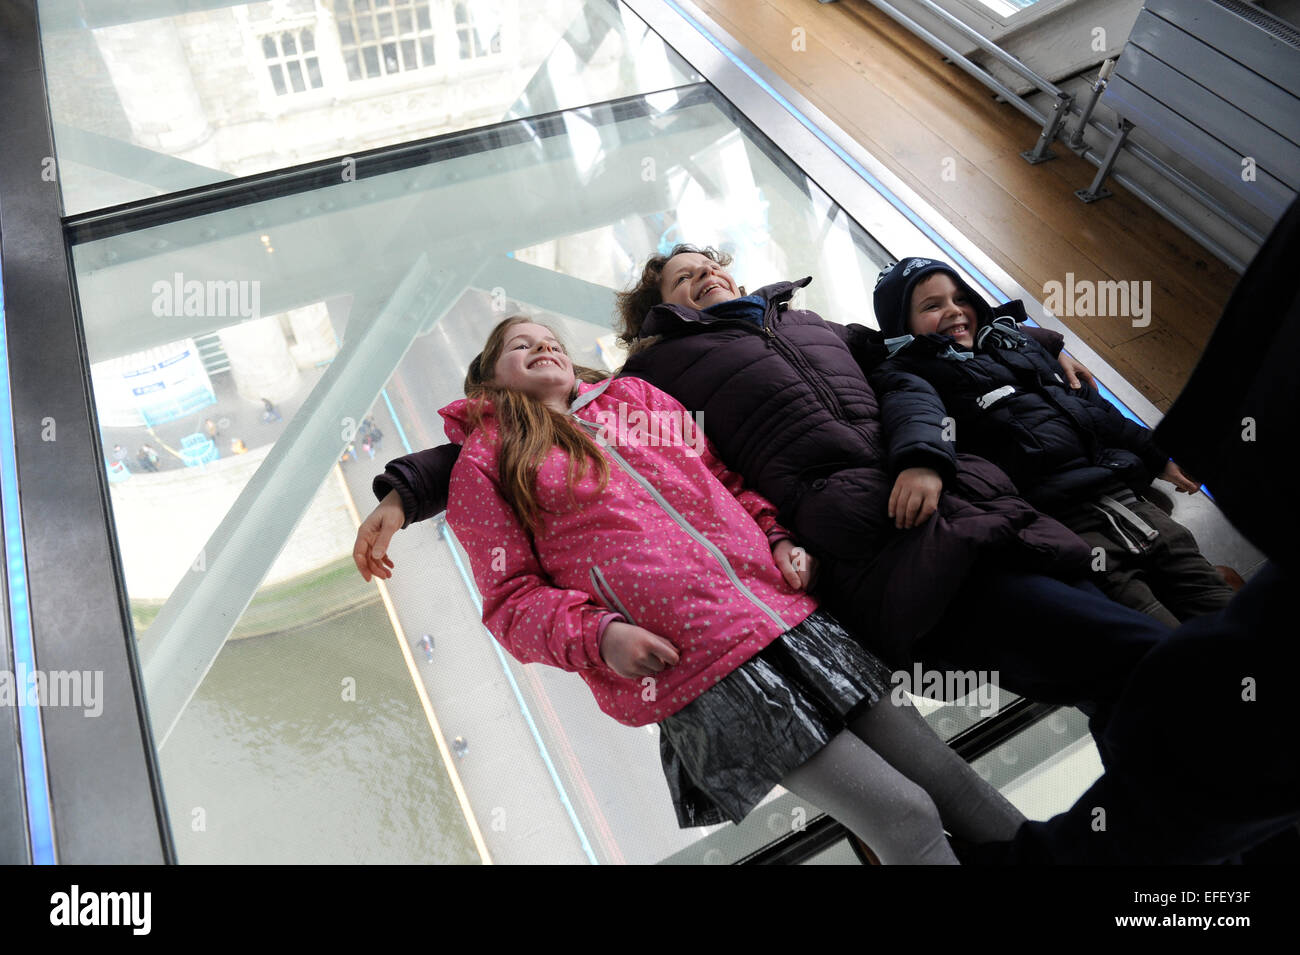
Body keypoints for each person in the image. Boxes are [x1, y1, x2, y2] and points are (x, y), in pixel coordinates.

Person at [362, 246, 1171, 762]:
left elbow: (912, 361)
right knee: (1137, 657)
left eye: (713, 261)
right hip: (888, 550)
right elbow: (522, 425)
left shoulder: (813, 323)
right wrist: (404, 489)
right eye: (685, 276)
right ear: (662, 310)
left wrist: (1041, 352)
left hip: (978, 510)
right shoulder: (665, 373)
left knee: (1117, 678)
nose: (708, 271)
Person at [364, 314, 1028, 864]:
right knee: (905, 817)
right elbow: (510, 601)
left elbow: (725, 483)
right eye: (522, 344)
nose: (544, 345)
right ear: (489, 378)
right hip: (708, 676)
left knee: (951, 783)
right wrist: (601, 634)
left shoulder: (637, 401)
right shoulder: (488, 462)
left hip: (790, 618)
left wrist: (778, 540)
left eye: (553, 340)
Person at [870, 257, 1235, 627]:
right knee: (1153, 630)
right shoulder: (912, 373)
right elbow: (918, 414)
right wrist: (923, 461)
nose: (953, 311)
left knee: (1218, 603)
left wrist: (1160, 458)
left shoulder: (1015, 345)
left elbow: (1098, 412)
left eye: (960, 298)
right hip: (1070, 527)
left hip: (1130, 501)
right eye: (932, 306)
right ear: (903, 327)